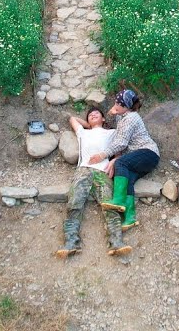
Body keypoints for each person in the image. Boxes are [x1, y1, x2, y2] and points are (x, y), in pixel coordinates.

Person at [56, 106, 131, 258]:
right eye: (90, 115)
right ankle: (71, 243)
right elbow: (73, 119)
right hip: (83, 170)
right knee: (74, 203)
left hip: (103, 172)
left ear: (104, 119)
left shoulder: (111, 132)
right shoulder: (83, 133)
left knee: (110, 204)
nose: (93, 114)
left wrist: (114, 161)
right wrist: (89, 125)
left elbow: (118, 151)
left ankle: (116, 242)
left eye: (97, 113)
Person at [88, 89, 159, 230]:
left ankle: (118, 200)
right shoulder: (124, 116)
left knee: (120, 163)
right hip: (143, 157)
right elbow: (111, 126)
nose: (115, 104)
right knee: (128, 180)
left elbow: (121, 143)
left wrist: (103, 155)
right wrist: (112, 113)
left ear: (125, 106)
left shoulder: (131, 119)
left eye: (117, 103)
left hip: (147, 152)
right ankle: (130, 217)